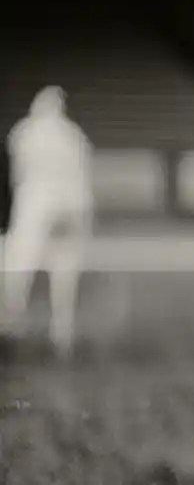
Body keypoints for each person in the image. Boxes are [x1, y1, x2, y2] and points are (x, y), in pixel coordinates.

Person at [2, 86, 94, 358]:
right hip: (74, 203)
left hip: (39, 198)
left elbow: (18, 172)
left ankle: (13, 322)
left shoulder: (25, 131)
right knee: (65, 268)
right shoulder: (74, 134)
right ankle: (62, 331)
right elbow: (85, 173)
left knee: (20, 262)